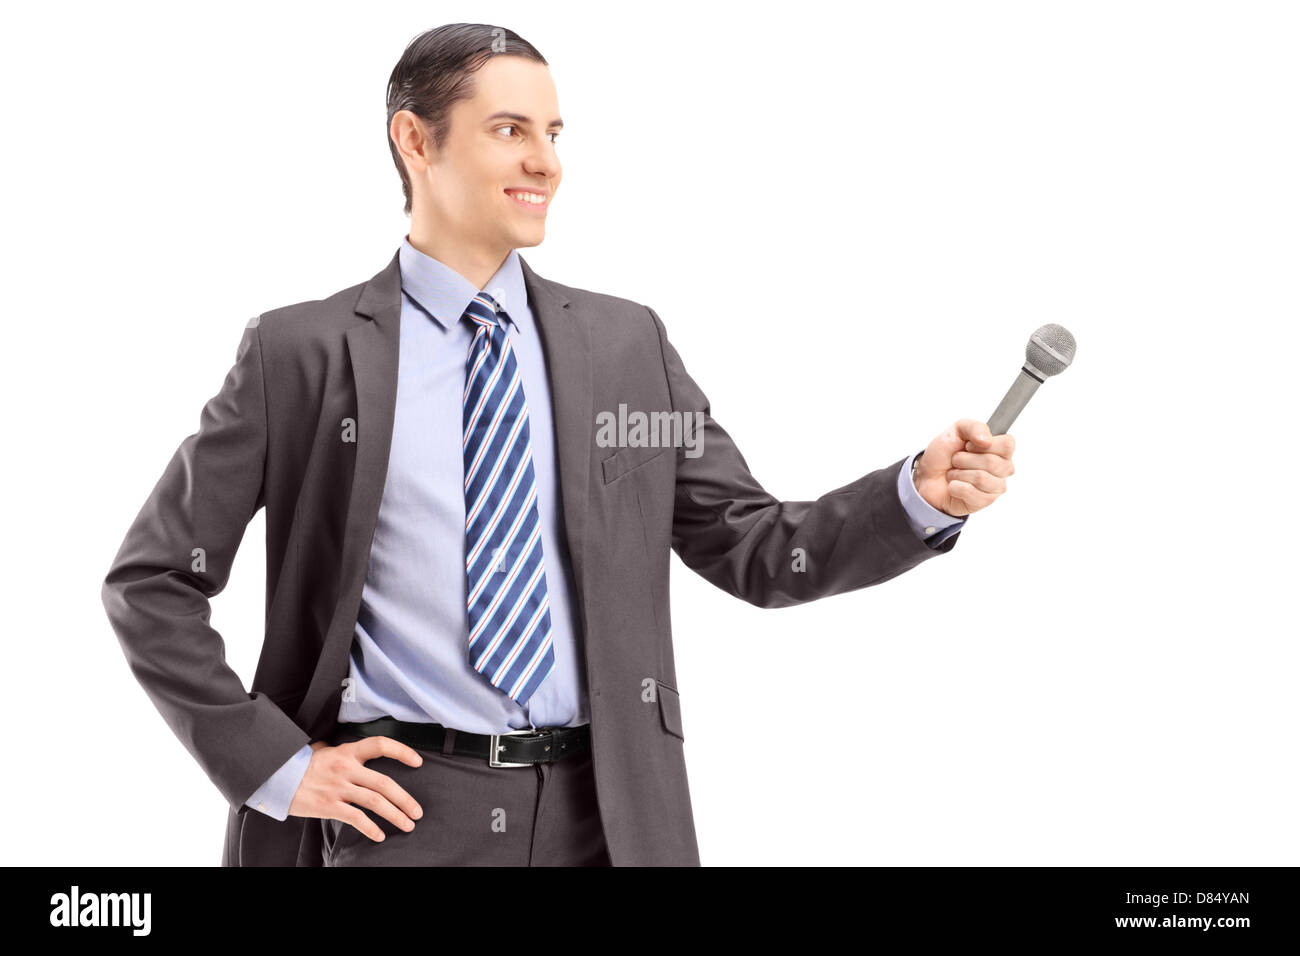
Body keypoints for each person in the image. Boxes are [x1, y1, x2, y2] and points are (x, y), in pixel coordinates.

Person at [101, 23, 1016, 867]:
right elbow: (152, 581)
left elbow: (750, 545)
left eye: (555, 132)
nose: (546, 161)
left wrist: (917, 496)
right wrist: (277, 764)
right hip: (398, 817)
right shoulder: (300, 355)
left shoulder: (624, 349)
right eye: (509, 130)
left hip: (610, 817)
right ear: (414, 140)